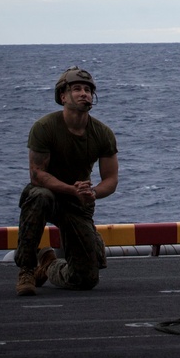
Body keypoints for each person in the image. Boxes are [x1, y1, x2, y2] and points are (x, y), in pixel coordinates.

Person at [14, 66, 118, 297]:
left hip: (78, 202)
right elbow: (37, 174)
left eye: (88, 90)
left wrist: (93, 193)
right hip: (50, 194)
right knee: (38, 196)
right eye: (77, 89)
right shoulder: (44, 127)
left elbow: (111, 179)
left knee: (85, 279)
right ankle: (26, 269)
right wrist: (71, 189)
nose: (84, 94)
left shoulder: (102, 133)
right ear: (63, 96)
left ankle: (49, 265)